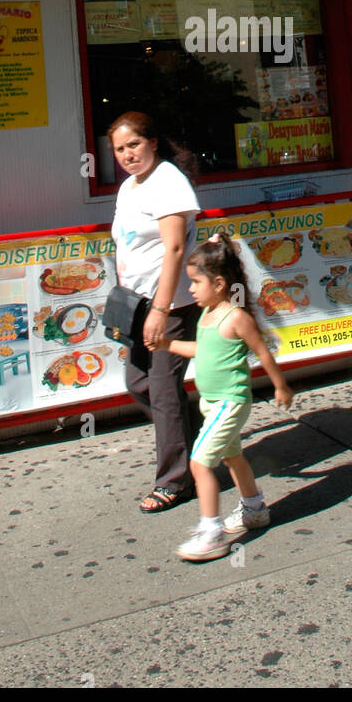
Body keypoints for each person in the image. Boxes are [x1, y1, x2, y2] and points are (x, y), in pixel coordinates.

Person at [155, 230, 293, 562]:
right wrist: (167, 345)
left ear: (218, 285)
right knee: (233, 458)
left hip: (230, 403)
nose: (190, 289)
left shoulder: (236, 317)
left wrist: (280, 386)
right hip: (213, 403)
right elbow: (202, 351)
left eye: (195, 283)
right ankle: (254, 509)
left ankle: (211, 533)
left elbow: (263, 351)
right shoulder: (207, 314)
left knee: (199, 463)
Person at [109, 111, 201, 513]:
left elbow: (176, 249)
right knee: (139, 384)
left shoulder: (168, 183)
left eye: (134, 145)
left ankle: (175, 480)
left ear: (152, 143)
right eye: (119, 149)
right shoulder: (130, 186)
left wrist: (161, 310)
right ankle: (200, 446)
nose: (127, 155)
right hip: (137, 304)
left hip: (171, 304)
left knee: (163, 393)